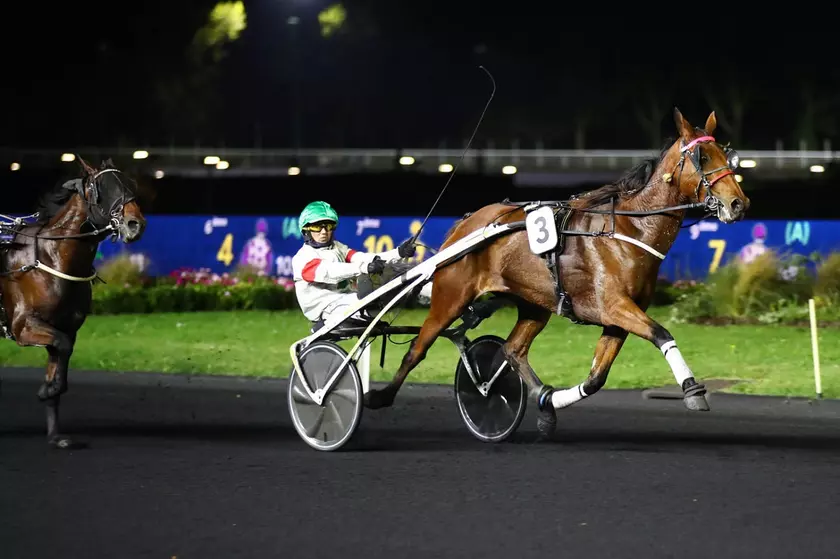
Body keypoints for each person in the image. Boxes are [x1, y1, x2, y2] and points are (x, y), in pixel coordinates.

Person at [291, 201, 417, 324]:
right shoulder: (302, 258)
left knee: (382, 293)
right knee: (371, 299)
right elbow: (331, 271)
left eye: (328, 226)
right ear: (306, 230)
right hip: (323, 308)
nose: (324, 232)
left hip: (343, 299)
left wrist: (398, 253)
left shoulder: (337, 247)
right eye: (317, 227)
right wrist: (364, 268)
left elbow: (363, 258)